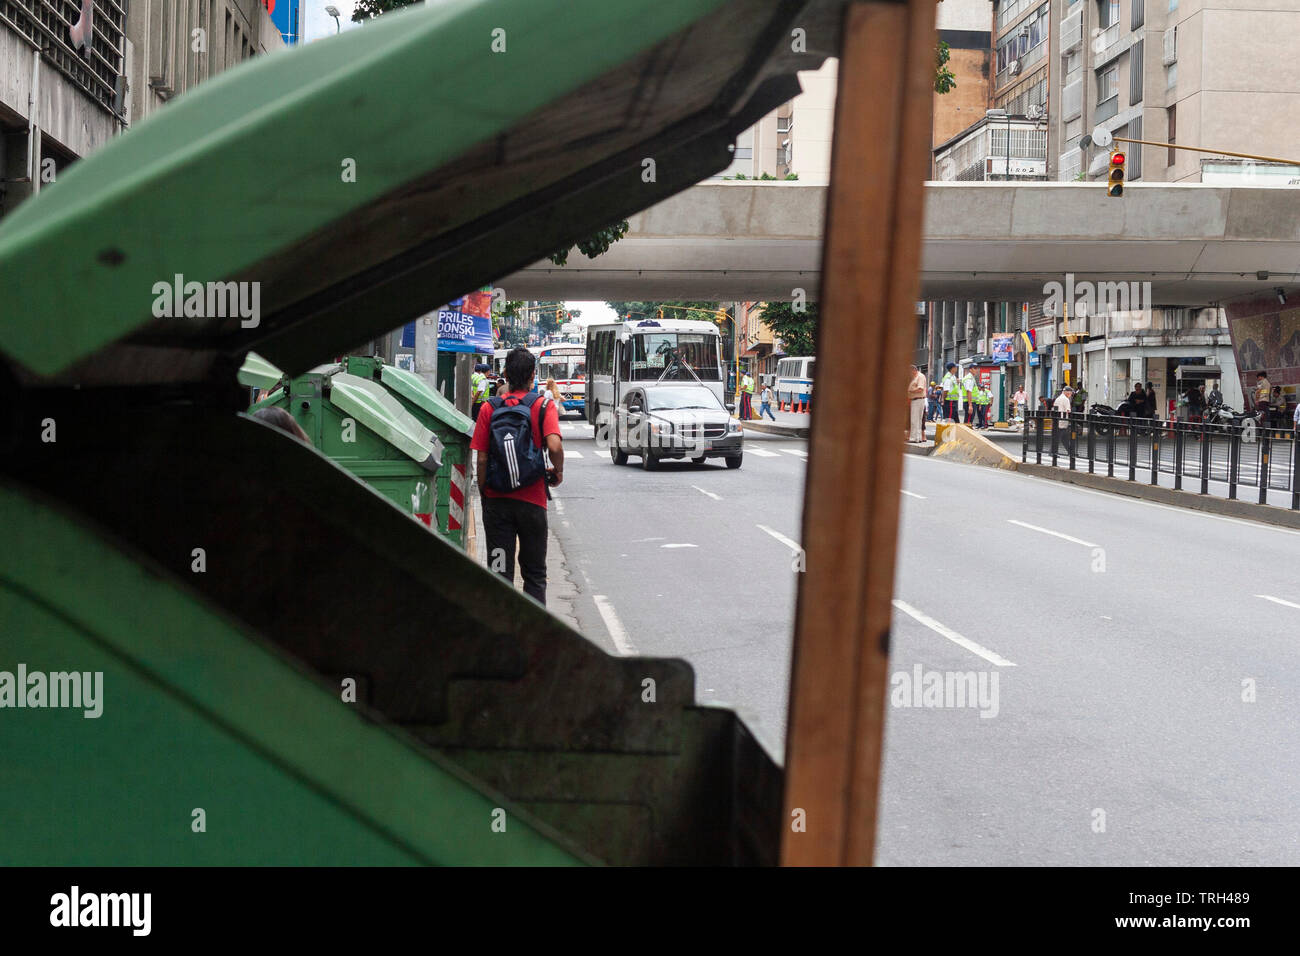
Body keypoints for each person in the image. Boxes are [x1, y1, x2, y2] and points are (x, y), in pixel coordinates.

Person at [471, 347, 563, 605]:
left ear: (505, 374)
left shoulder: (489, 408)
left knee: (499, 572)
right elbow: (554, 446)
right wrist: (558, 471)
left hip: (497, 505)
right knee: (534, 573)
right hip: (532, 505)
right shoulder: (543, 405)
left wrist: (485, 493)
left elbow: (481, 458)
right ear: (533, 374)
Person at [1053, 385, 1076, 453]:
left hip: (1057, 420)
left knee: (1064, 438)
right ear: (1067, 392)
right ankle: (1052, 451)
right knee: (1059, 437)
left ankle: (1070, 451)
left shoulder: (1058, 398)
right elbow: (1068, 410)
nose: (1071, 395)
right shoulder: (1066, 399)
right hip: (1063, 421)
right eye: (1071, 393)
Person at [907, 364, 927, 442]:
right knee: (917, 420)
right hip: (916, 400)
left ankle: (914, 438)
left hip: (917, 400)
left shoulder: (920, 377)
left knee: (915, 420)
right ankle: (917, 438)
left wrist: (910, 391)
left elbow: (920, 389)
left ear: (913, 370)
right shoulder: (916, 377)